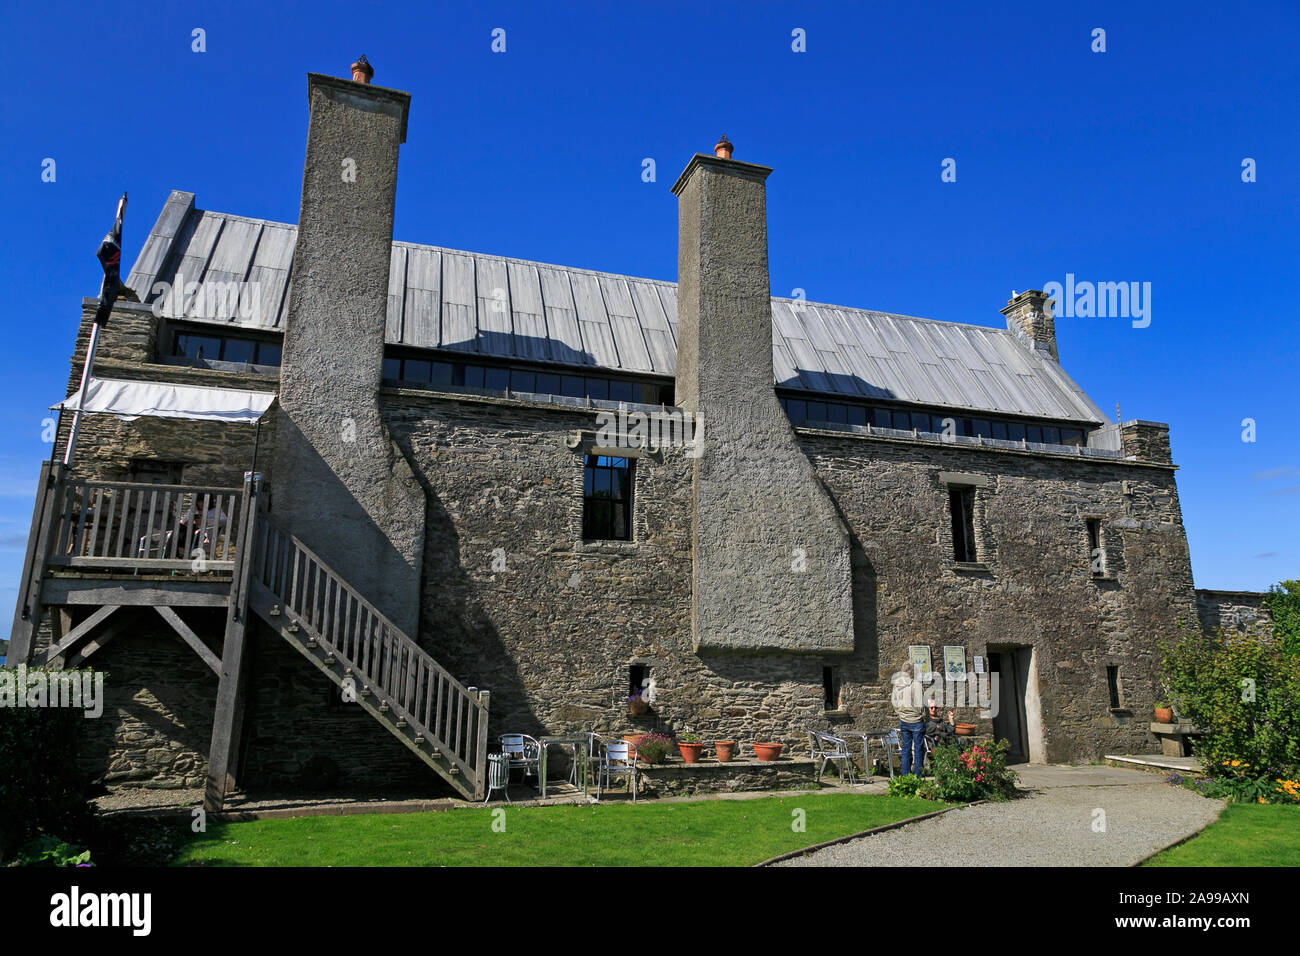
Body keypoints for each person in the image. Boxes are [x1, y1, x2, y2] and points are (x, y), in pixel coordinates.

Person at [890, 661, 926, 776]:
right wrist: (922, 715)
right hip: (916, 720)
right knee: (918, 750)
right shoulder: (917, 685)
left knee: (905, 749)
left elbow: (894, 702)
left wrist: (900, 712)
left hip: (904, 720)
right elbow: (921, 705)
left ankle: (905, 776)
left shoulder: (897, 685)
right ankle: (918, 776)